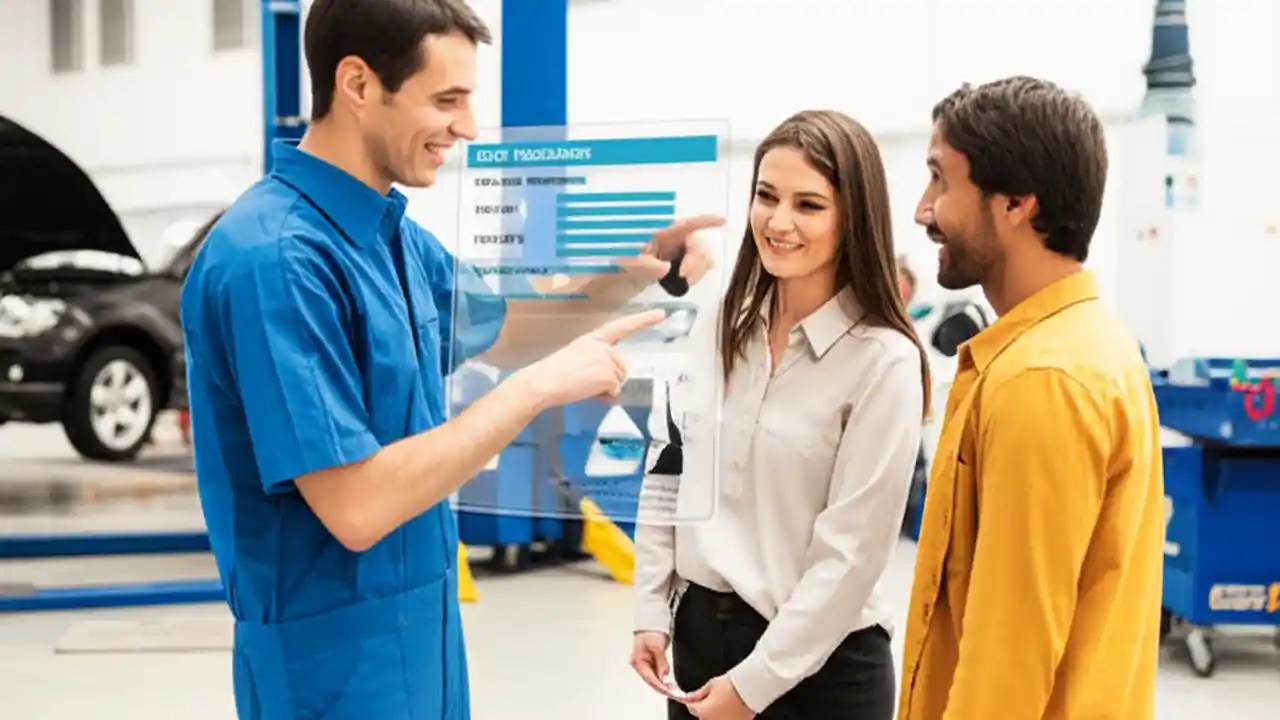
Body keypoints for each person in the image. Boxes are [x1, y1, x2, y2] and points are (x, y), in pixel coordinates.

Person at [180, 1, 718, 717]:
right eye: (447, 100)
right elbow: (357, 505)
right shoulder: (276, 260)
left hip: (422, 648)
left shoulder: (391, 238)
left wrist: (634, 269)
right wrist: (530, 394)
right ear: (358, 84)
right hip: (327, 673)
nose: (466, 126)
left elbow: (510, 325)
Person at [630, 109, 932, 719]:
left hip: (822, 672)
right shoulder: (723, 320)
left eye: (809, 205)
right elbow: (668, 466)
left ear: (855, 218)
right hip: (700, 652)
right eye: (766, 196)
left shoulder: (883, 362)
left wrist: (752, 686)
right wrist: (650, 610)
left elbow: (849, 557)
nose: (778, 221)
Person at [897, 76, 1164, 719]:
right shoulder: (1085, 344)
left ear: (1016, 203)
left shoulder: (1043, 380)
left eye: (940, 180)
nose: (923, 209)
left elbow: (1006, 664)